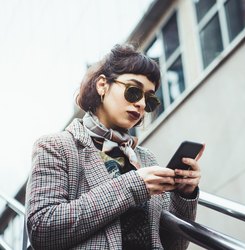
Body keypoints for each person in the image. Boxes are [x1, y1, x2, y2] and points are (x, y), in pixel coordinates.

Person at [25, 44, 204, 250]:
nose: (142, 105)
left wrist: (184, 195)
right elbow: (42, 229)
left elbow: (173, 246)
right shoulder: (56, 147)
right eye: (134, 91)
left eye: (150, 99)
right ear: (102, 85)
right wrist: (133, 185)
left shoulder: (145, 159)